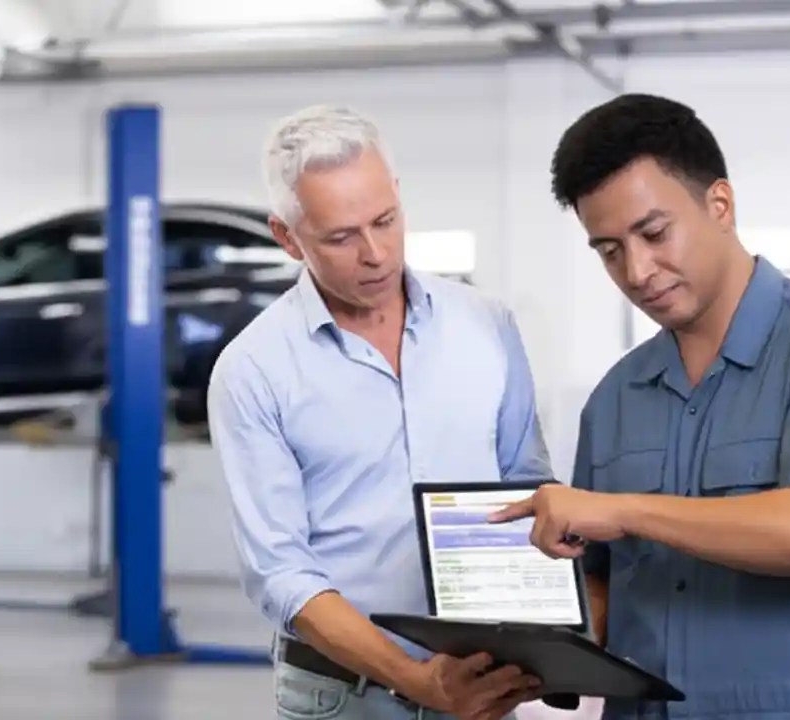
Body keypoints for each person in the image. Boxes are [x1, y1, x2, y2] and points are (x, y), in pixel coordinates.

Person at [490, 94, 790, 720]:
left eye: (654, 233)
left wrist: (625, 510)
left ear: (720, 204)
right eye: (609, 250)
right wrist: (529, 651)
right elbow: (604, 585)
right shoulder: (615, 399)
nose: (637, 270)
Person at [207, 104, 550, 720]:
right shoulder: (253, 369)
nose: (374, 253)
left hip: (481, 690)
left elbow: (527, 487)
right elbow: (281, 572)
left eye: (385, 221)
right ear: (287, 237)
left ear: (398, 196)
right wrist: (417, 680)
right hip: (341, 698)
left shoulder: (487, 325)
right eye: (340, 237)